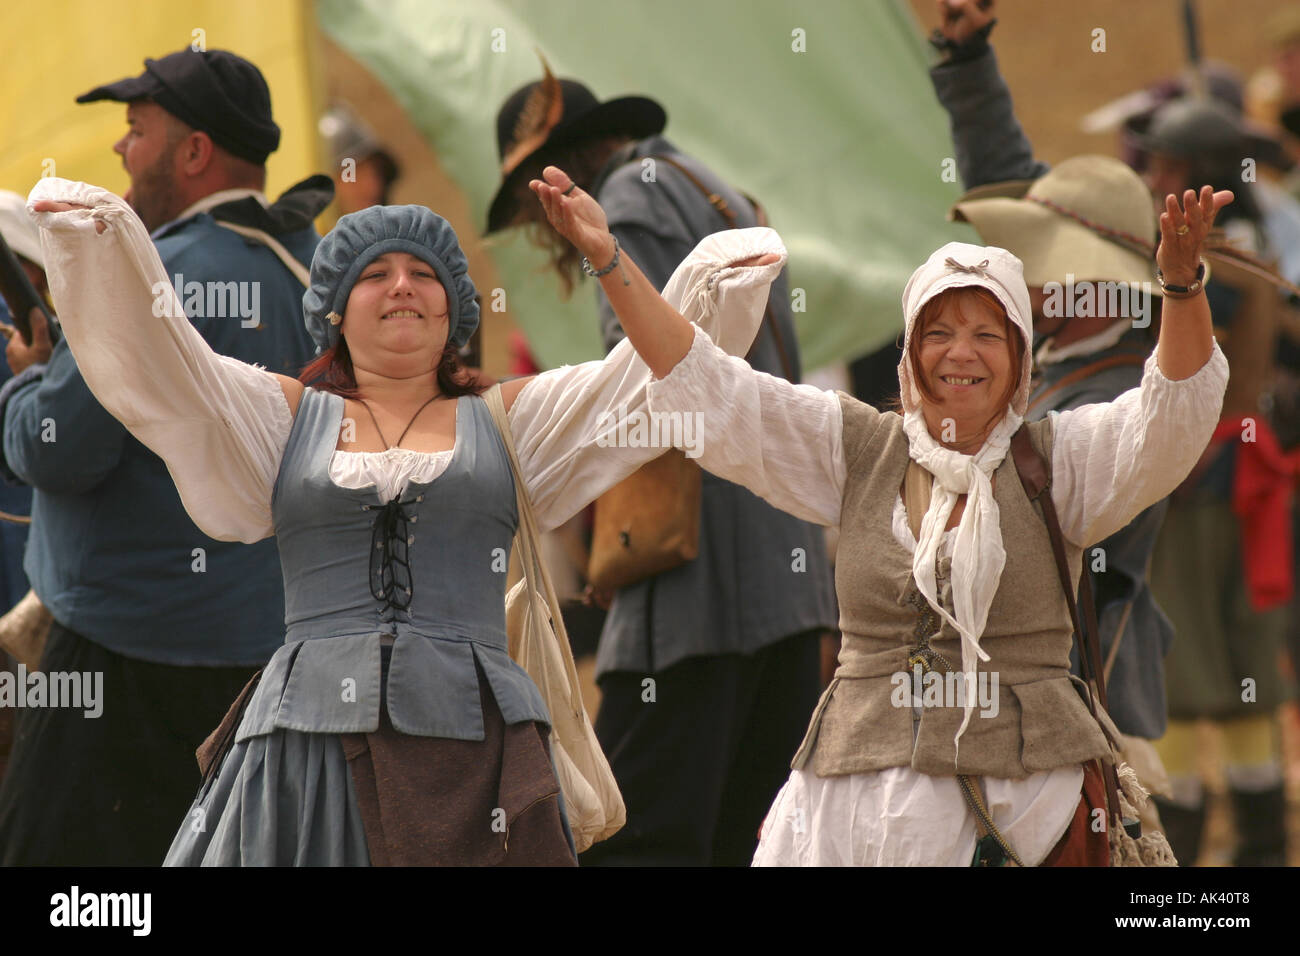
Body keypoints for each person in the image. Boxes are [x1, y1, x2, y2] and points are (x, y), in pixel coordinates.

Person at [24, 154, 782, 864]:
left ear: (452, 306)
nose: (401, 286)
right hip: (305, 746)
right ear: (334, 310)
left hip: (476, 748)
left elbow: (641, 386)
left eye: (422, 273)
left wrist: (652, 268)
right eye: (374, 274)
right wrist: (103, 243)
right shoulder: (285, 418)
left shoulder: (510, 420)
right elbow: (170, 367)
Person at [530, 162, 1229, 865]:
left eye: (988, 334)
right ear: (909, 350)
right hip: (851, 814)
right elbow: (705, 382)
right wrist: (609, 258)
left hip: (1025, 807)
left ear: (1020, 354)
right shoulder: (855, 448)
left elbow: (1171, 416)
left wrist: (1180, 287)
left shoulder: (1060, 461)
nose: (961, 352)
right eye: (939, 332)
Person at [486, 64, 837, 866]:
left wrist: (612, 522)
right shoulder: (707, 183)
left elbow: (649, 381)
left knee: (629, 833)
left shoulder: (633, 202)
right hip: (779, 569)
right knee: (746, 833)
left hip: (697, 578)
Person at [0, 48, 327, 865]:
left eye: (135, 130)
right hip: (267, 659)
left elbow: (60, 450)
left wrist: (25, 388)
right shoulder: (321, 271)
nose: (119, 150)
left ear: (193, 152)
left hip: (123, 660)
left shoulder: (154, 273)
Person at [925, 0, 1179, 827]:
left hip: (1078, 697)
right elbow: (1005, 167)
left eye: (1037, 260)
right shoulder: (1076, 351)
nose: (1016, 274)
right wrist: (969, 63)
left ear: (1078, 281)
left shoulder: (1126, 397)